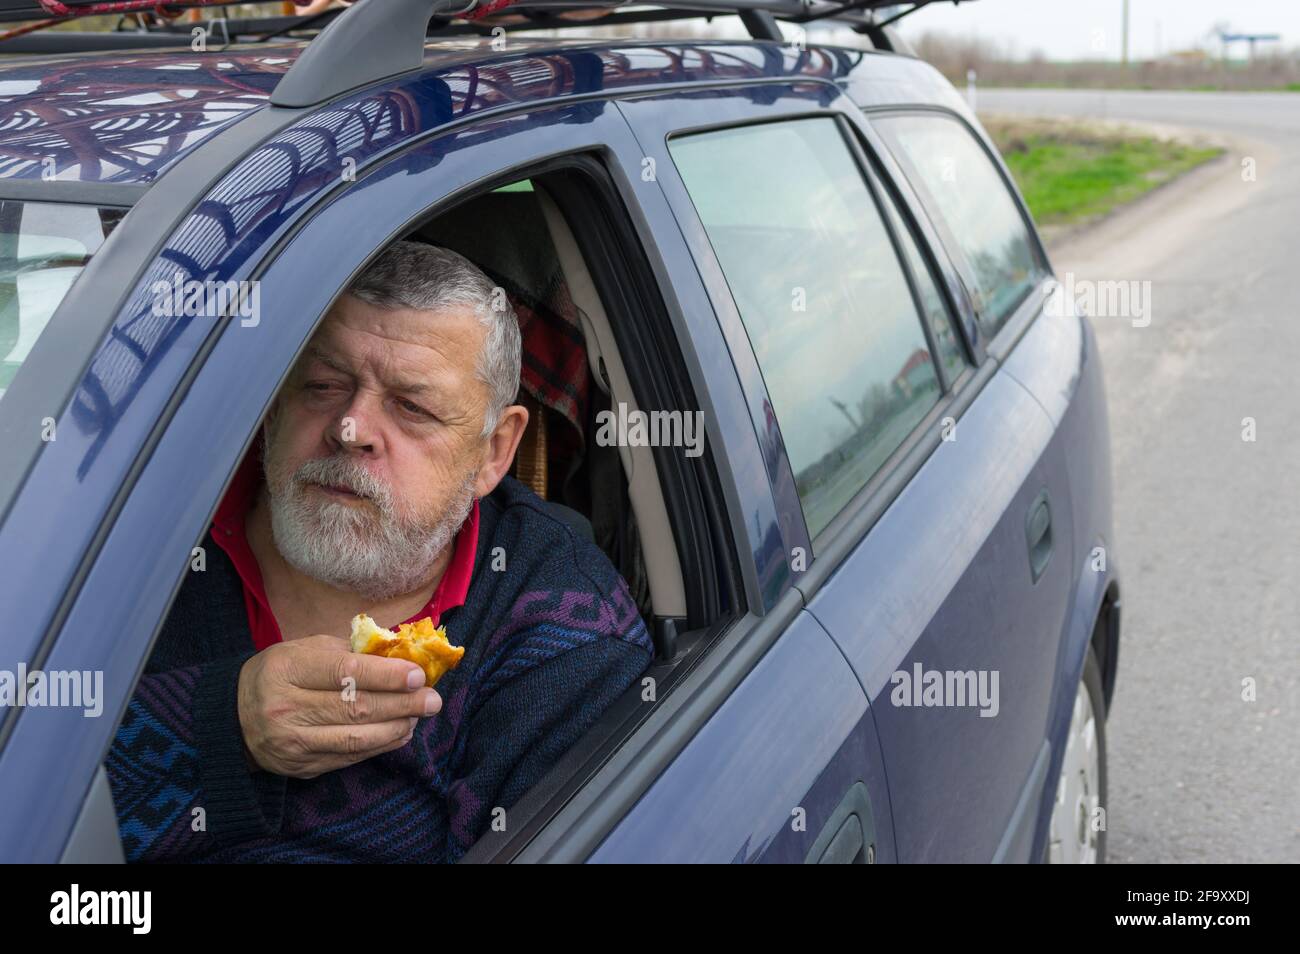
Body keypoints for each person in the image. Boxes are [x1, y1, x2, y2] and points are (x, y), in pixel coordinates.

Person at [105, 241, 654, 862]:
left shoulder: (563, 630)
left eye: (412, 406)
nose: (351, 428)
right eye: (323, 383)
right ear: (274, 399)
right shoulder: (130, 539)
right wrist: (220, 725)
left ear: (494, 452)